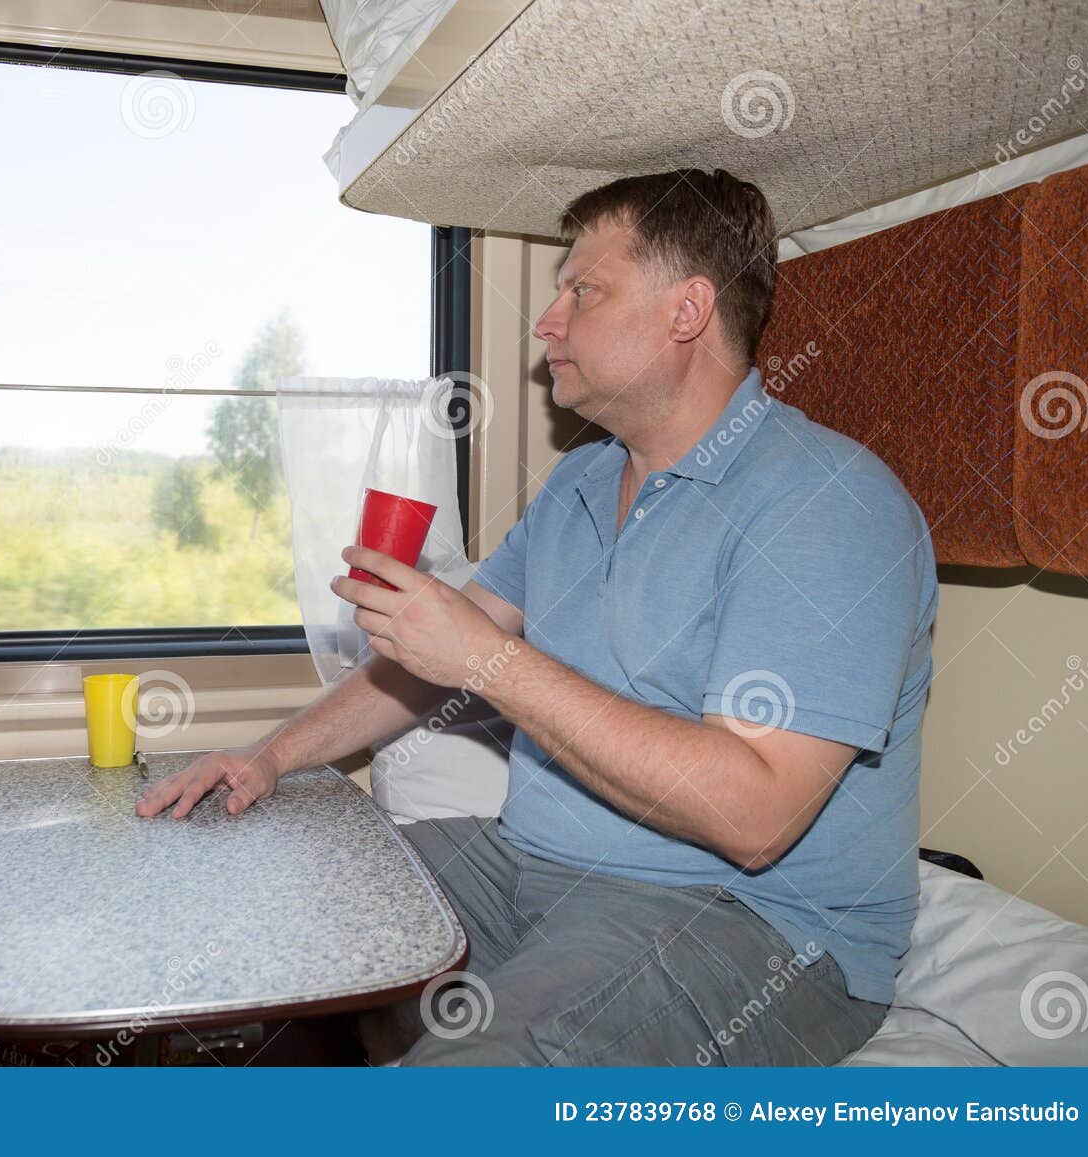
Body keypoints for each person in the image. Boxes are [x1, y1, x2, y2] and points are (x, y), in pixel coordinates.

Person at [135, 168, 937, 1066]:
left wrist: (486, 661)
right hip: (526, 865)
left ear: (687, 310)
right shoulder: (582, 480)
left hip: (747, 921)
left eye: (582, 290)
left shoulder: (828, 504)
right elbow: (425, 657)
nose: (546, 321)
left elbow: (755, 815)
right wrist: (269, 754)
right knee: (275, 896)